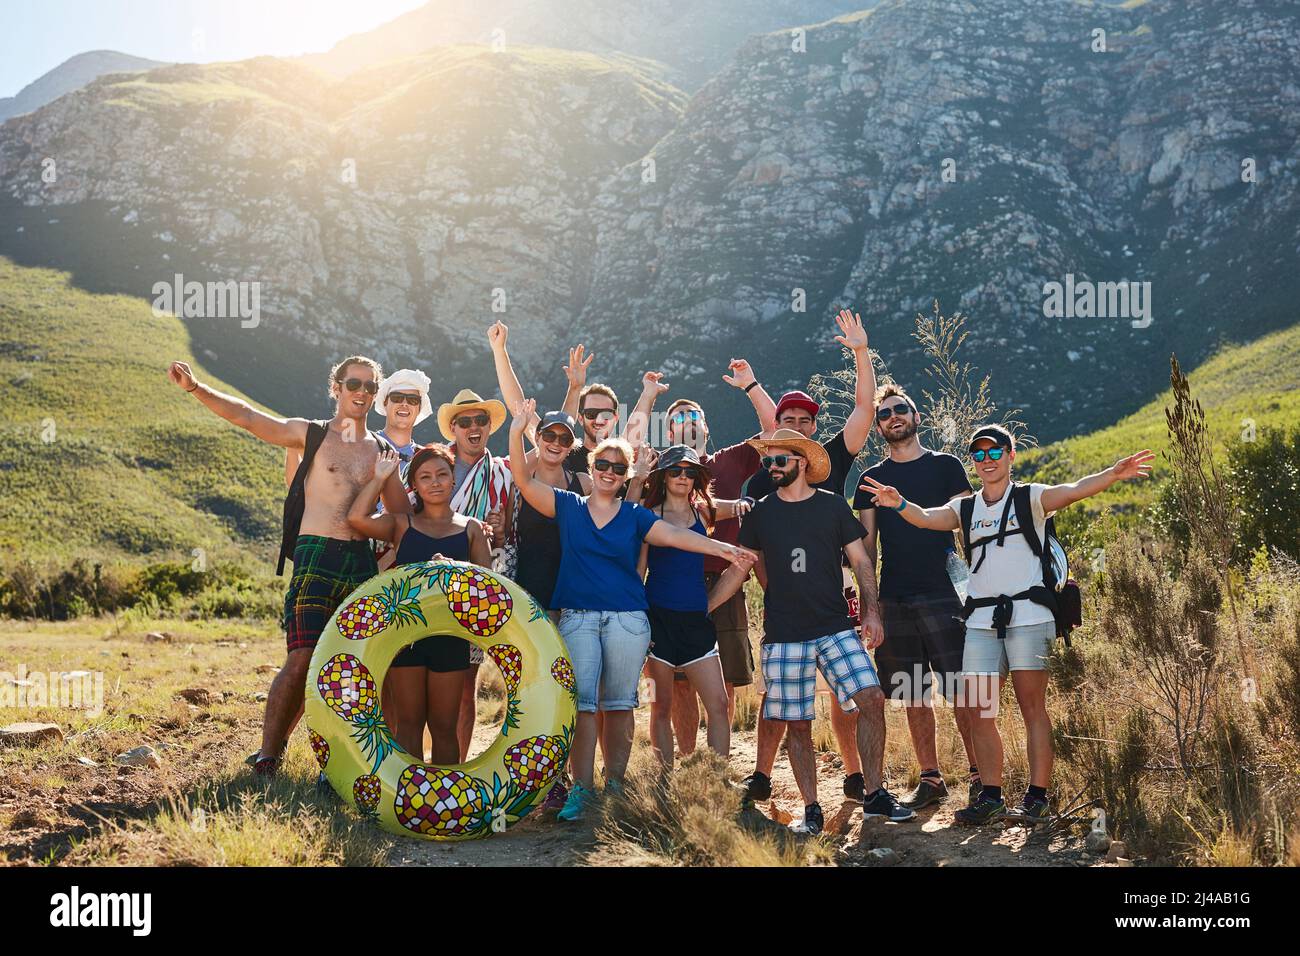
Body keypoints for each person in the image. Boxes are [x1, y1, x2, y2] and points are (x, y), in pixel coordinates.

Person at [860, 426, 1154, 824]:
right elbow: (929, 519)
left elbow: (1073, 489)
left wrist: (1112, 474)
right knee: (980, 711)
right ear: (974, 463)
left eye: (995, 451)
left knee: (1033, 708)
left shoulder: (1030, 497)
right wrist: (898, 504)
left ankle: (1036, 797)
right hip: (981, 624)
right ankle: (991, 796)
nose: (987, 459)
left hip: (1030, 618)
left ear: (1010, 455)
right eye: (979, 454)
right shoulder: (966, 509)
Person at [507, 399, 755, 822]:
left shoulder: (635, 516)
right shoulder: (568, 505)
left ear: (626, 477)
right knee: (584, 705)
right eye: (602, 465)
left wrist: (721, 548)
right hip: (579, 619)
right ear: (593, 466)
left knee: (620, 704)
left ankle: (617, 783)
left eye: (618, 469)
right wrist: (517, 432)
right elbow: (524, 481)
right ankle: (582, 789)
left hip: (627, 620)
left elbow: (677, 538)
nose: (608, 472)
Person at [167, 356, 409, 777]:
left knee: (361, 665)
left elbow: (401, 519)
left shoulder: (383, 451)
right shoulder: (311, 435)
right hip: (315, 554)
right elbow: (247, 417)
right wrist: (195, 388)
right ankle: (268, 756)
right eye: (354, 383)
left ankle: (352, 762)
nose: (362, 393)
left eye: (371, 387)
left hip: (359, 561)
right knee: (301, 659)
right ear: (336, 387)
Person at [711, 429, 914, 834]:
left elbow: (861, 562)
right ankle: (811, 808)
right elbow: (741, 567)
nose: (771, 468)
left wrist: (871, 613)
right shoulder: (762, 513)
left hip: (836, 626)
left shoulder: (833, 506)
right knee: (798, 723)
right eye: (767, 462)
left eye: (779, 461)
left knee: (871, 698)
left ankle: (873, 794)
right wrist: (702, 610)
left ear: (802, 463)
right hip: (784, 633)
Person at [741, 308, 879, 803]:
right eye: (788, 421)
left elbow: (864, 410)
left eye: (805, 421)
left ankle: (854, 773)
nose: (797, 426)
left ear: (814, 430)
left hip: (835, 586)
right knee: (779, 698)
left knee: (848, 693)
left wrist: (861, 352)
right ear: (776, 427)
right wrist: (771, 584)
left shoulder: (833, 457)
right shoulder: (766, 477)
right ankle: (760, 772)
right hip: (784, 599)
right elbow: (754, 548)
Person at [623, 358, 777, 746]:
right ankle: (688, 763)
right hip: (670, 589)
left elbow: (775, 432)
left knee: (722, 686)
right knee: (678, 689)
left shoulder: (727, 461)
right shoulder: (662, 470)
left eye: (694, 415)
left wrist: (750, 385)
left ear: (705, 427)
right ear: (669, 429)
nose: (687, 420)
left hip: (724, 583)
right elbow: (629, 447)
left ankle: (714, 775)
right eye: (677, 417)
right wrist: (647, 396)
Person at [852, 383, 980, 809]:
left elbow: (965, 523)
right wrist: (871, 608)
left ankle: (982, 778)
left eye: (899, 409)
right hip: (895, 596)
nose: (893, 417)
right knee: (911, 692)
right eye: (884, 414)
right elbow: (865, 550)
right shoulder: (871, 481)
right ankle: (931, 777)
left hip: (947, 593)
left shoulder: (947, 466)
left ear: (916, 416)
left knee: (961, 690)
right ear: (879, 427)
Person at [347, 446, 491, 763]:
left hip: (451, 638)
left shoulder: (472, 529)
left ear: (453, 479)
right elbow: (356, 518)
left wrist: (457, 568)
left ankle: (447, 803)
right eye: (424, 477)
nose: (435, 482)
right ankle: (412, 802)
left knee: (443, 727)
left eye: (442, 474)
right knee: (408, 725)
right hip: (405, 639)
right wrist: (381, 477)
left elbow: (487, 587)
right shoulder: (401, 524)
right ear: (415, 486)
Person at [638, 445, 754, 768]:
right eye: (675, 471)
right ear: (663, 476)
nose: (683, 477)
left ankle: (716, 781)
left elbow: (742, 506)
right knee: (661, 708)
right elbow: (639, 571)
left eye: (690, 472)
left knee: (718, 704)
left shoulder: (704, 511)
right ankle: (664, 782)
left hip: (696, 622)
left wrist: (755, 503)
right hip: (658, 621)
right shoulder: (648, 516)